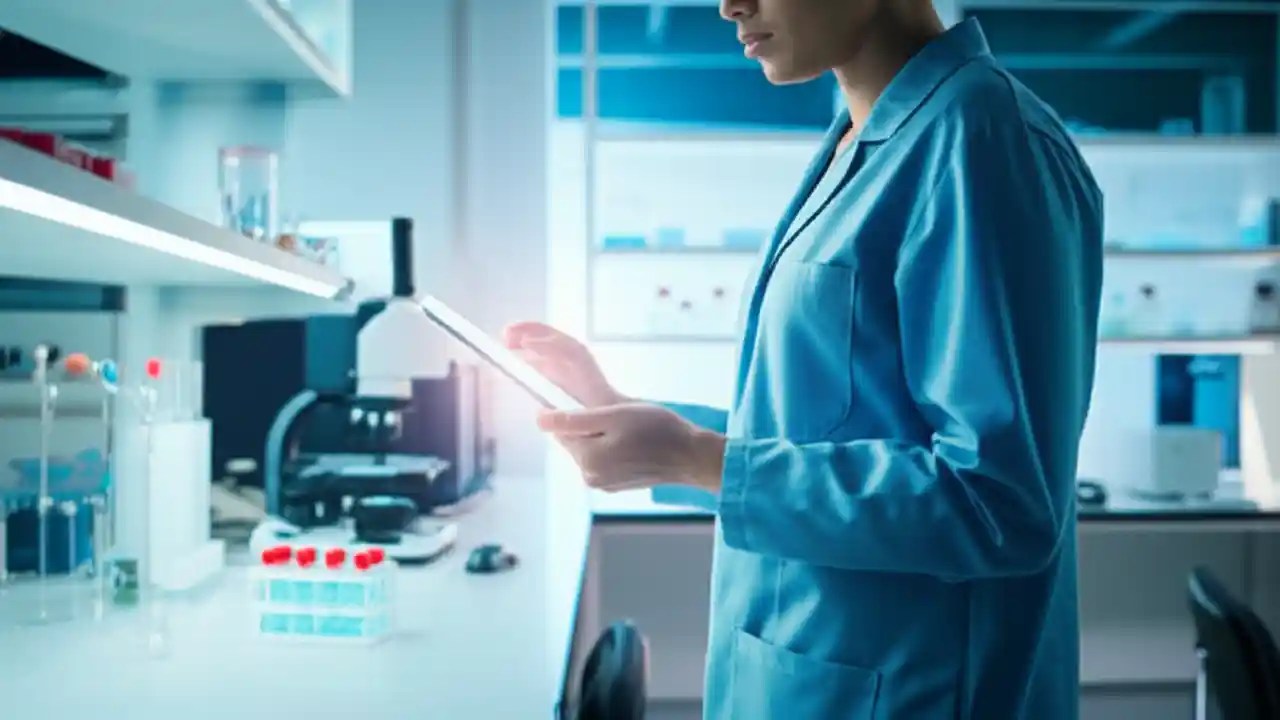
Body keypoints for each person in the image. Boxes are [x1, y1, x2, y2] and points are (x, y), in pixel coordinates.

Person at [506, 0, 1103, 717]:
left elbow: (999, 503)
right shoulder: (865, 136)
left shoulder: (983, 139)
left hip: (911, 690)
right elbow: (833, 420)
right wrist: (643, 423)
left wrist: (697, 459)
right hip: (811, 669)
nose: (730, 5)